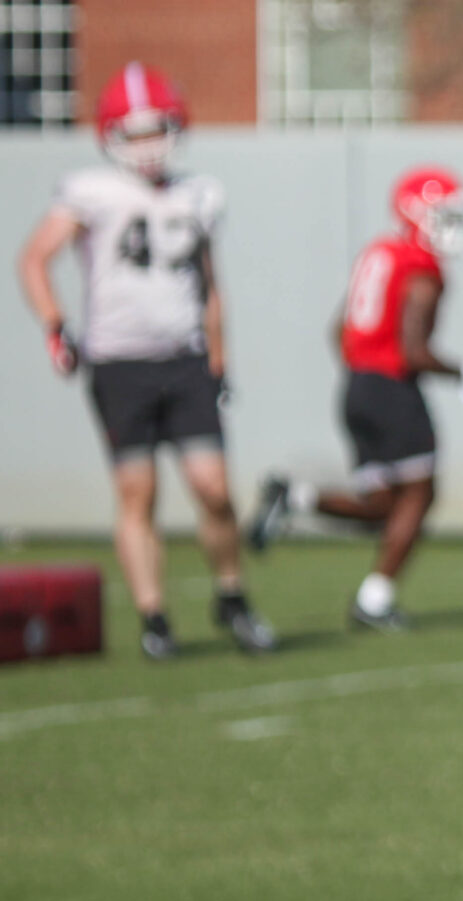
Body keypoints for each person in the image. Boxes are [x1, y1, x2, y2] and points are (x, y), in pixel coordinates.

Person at [15, 61, 273, 660]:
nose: (149, 145)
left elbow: (211, 285)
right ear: (111, 137)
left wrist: (220, 358)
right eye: (135, 133)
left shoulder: (198, 193)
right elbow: (34, 258)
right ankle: (154, 617)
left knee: (213, 488)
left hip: (184, 361)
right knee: (139, 492)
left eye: (157, 130)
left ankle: (231, 595)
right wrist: (56, 326)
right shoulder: (90, 192)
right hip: (119, 363)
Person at [250, 166, 463, 632]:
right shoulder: (422, 269)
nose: (453, 227)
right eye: (444, 215)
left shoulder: (380, 253)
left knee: (384, 506)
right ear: (416, 214)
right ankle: (375, 601)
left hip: (357, 386)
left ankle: (296, 498)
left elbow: (337, 332)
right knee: (420, 495)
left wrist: (366, 372)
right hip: (390, 389)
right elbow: (413, 351)